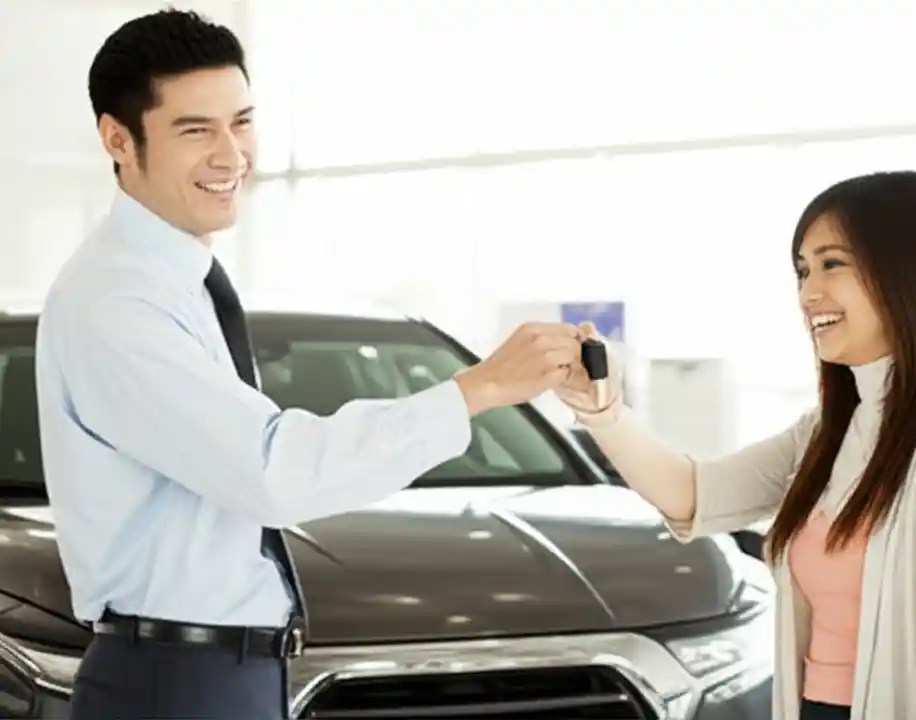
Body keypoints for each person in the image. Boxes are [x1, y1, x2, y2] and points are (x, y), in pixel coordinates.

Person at [35, 9, 584, 720]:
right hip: (175, 683)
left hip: (222, 673)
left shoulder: (175, 280)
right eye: (195, 130)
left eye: (242, 121)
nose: (231, 154)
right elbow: (273, 469)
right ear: (119, 138)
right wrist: (475, 391)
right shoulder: (118, 301)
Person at [557, 170, 916, 720]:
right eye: (803, 271)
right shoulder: (827, 430)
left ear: (906, 272)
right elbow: (692, 494)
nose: (808, 294)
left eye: (832, 264)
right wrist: (603, 412)